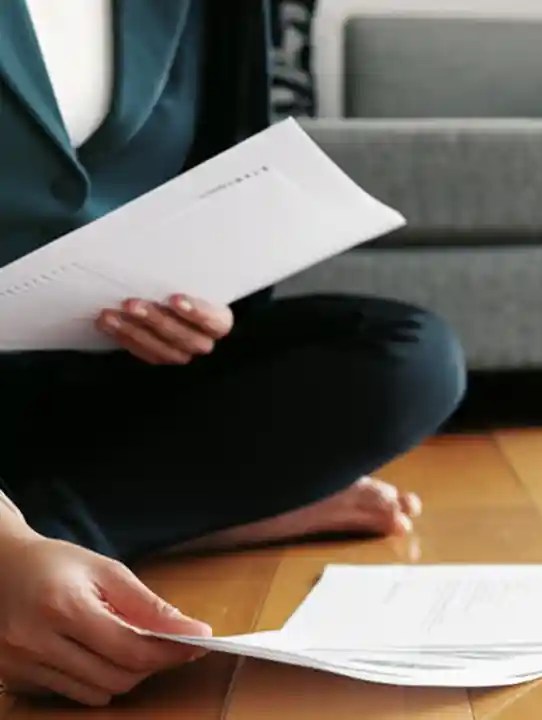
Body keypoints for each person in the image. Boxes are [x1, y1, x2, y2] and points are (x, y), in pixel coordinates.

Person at [0, 0, 466, 706]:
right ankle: (174, 521)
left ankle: (84, 535)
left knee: (409, 357)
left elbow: (219, 184)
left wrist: (198, 302)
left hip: (90, 370)